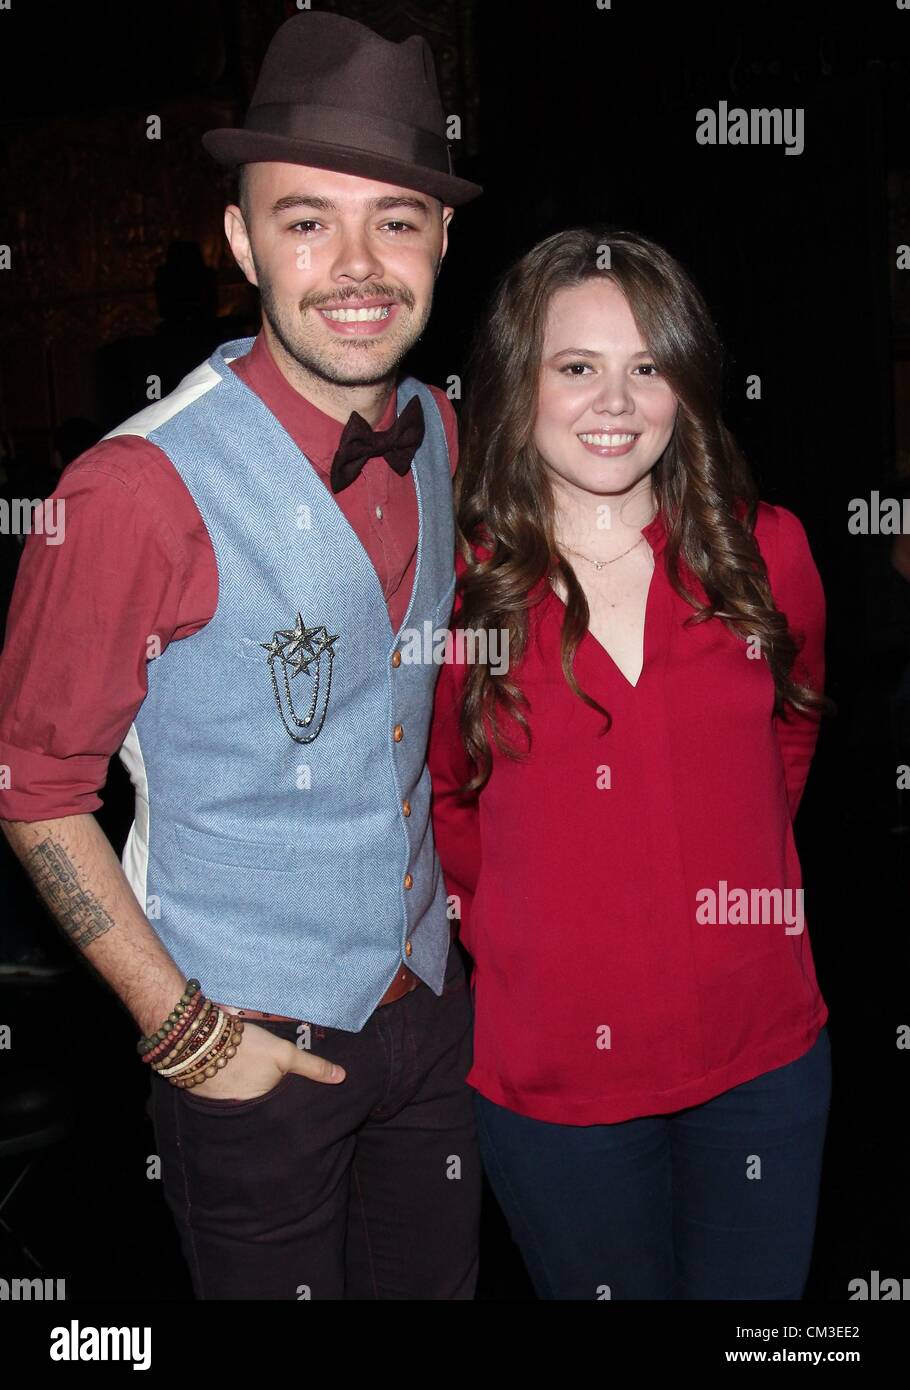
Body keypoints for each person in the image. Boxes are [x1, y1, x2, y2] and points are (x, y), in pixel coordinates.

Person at [0, 11, 483, 1299]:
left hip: (429, 1013)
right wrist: (183, 1026)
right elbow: (37, 788)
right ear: (239, 240)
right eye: (305, 218)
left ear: (441, 241)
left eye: (396, 218)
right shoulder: (129, 490)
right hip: (243, 1038)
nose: (356, 264)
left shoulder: (441, 430)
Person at [428, 225, 833, 1300]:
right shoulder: (458, 596)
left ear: (684, 386)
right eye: (576, 368)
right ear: (519, 382)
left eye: (645, 367)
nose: (614, 402)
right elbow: (445, 807)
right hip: (557, 1085)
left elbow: (785, 741)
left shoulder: (765, 551)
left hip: (764, 1061)